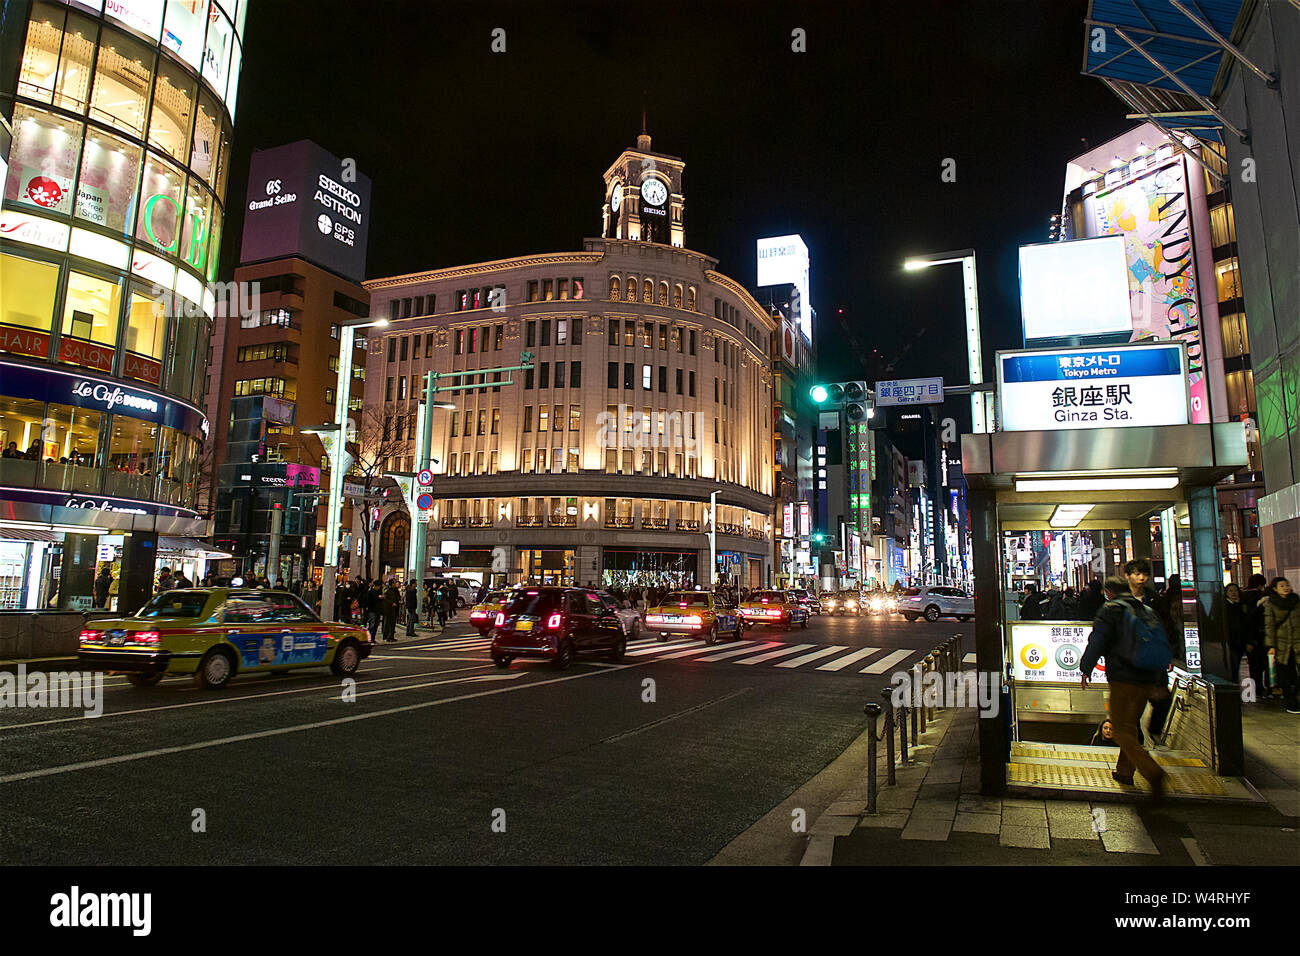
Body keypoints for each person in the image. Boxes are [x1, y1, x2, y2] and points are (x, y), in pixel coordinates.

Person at [1078, 561, 1168, 803]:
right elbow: (1161, 644)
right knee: (1131, 726)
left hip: (1123, 678)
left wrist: (1085, 668)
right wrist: (1160, 681)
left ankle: (1153, 772)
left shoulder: (1110, 609)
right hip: (1147, 678)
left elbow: (1097, 640)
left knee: (1119, 728)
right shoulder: (1146, 610)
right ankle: (1125, 772)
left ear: (1108, 592)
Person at [1262, 576, 1300, 714]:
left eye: (1287, 585)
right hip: (1281, 644)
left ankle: (1295, 695)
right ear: (1275, 589)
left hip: (1297, 642)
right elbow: (1269, 626)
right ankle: (1291, 702)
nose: (1286, 587)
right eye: (1282, 586)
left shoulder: (1296, 601)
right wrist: (1271, 646)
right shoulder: (1271, 604)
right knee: (1284, 673)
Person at [1240, 573, 1270, 698]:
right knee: (1264, 663)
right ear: (1260, 585)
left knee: (1253, 665)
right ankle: (1264, 688)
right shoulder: (1260, 597)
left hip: (1247, 635)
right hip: (1259, 635)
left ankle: (1255, 689)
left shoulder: (1242, 596)